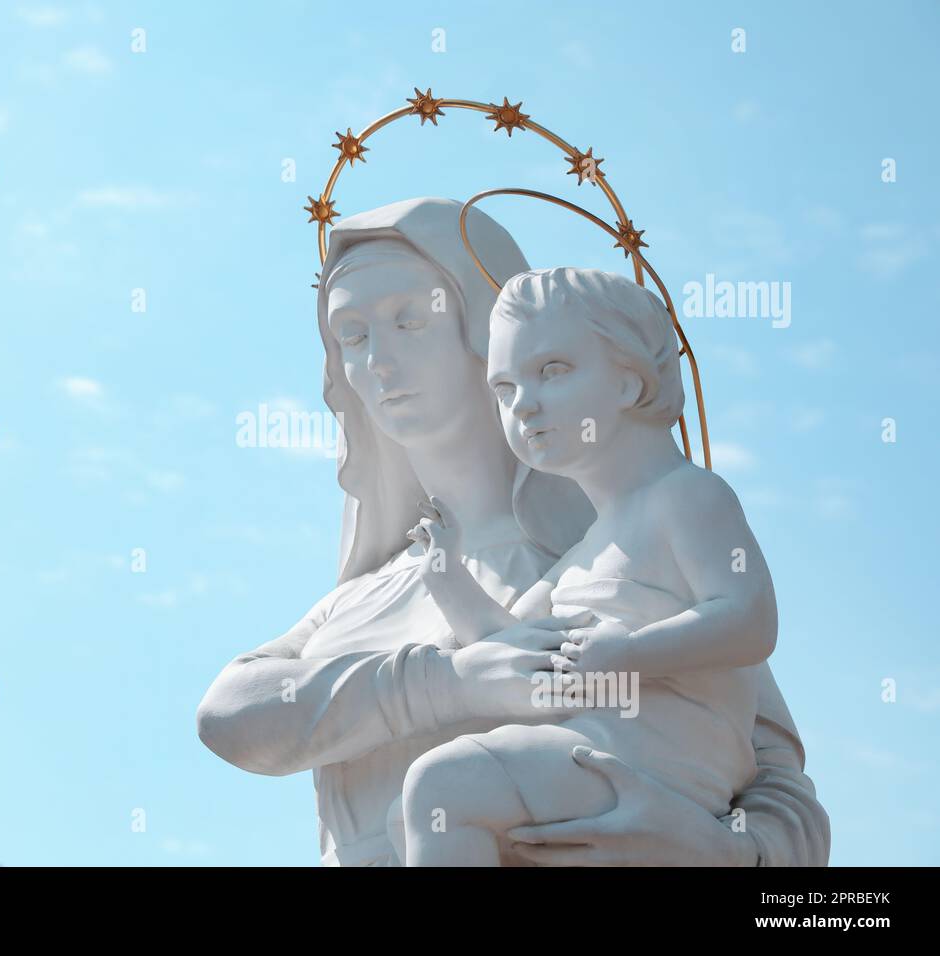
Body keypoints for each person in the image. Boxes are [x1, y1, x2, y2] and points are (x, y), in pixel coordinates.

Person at [195, 197, 830, 867]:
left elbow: (774, 783)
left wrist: (726, 850)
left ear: (485, 329)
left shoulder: (626, 555)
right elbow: (228, 715)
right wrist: (448, 683)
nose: (379, 358)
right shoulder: (358, 599)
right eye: (351, 336)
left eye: (410, 321)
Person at [402, 267, 777, 865]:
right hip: (591, 751)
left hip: (663, 765)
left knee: (445, 784)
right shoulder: (584, 554)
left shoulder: (687, 496)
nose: (523, 405)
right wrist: (447, 578)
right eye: (503, 388)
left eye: (551, 370)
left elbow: (750, 619)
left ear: (630, 381)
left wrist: (629, 655)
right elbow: (511, 650)